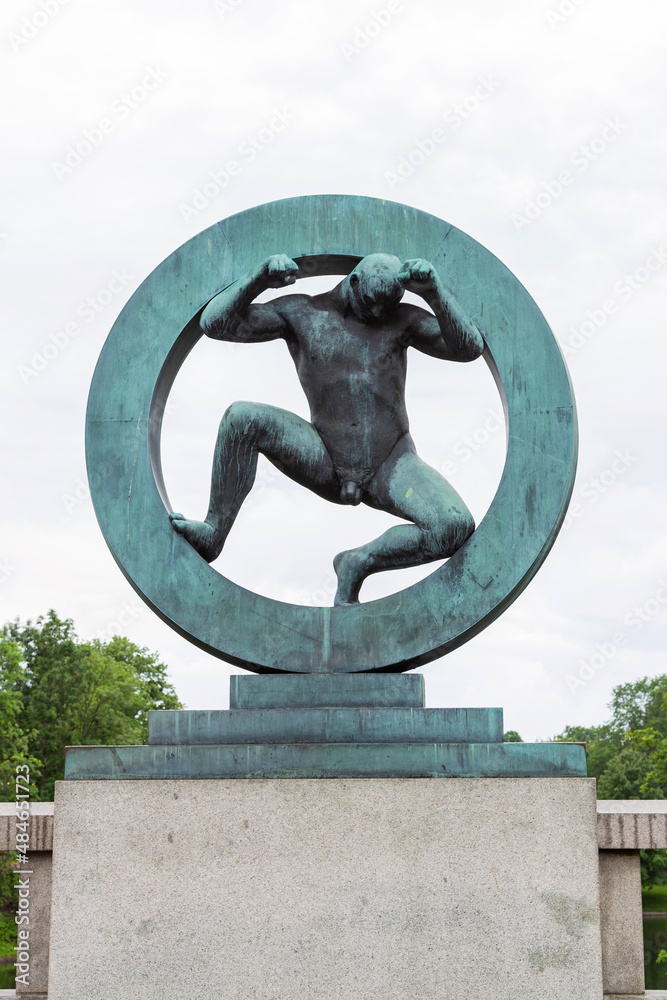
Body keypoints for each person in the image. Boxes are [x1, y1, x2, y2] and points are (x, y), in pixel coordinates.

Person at [170, 252, 485, 605]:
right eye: (371, 305)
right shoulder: (302, 312)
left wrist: (434, 292)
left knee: (453, 526)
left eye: (387, 306)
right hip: (322, 454)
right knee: (242, 418)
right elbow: (216, 324)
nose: (379, 314)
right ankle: (214, 530)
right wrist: (257, 277)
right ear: (353, 282)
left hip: (391, 462)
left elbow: (468, 349)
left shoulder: (403, 320)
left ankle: (357, 562)